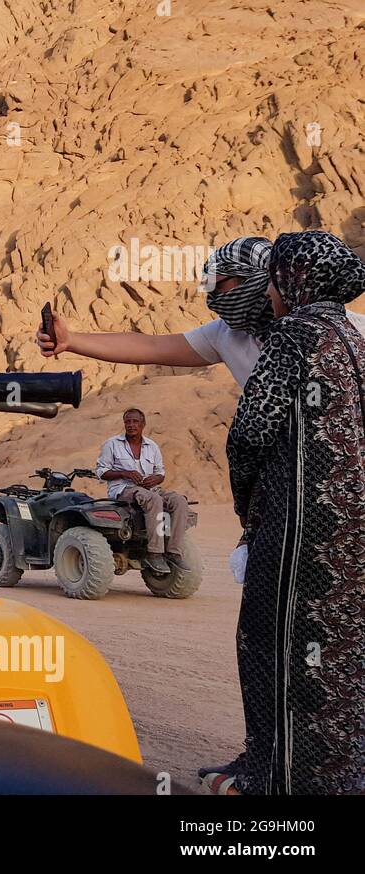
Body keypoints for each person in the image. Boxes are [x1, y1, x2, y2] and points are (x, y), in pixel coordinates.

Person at [220, 231, 365, 795]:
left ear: (293, 280)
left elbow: (251, 432)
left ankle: (273, 780)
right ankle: (337, 777)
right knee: (337, 656)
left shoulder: (294, 335)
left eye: (276, 278)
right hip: (350, 536)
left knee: (268, 643)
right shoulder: (350, 338)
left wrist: (245, 505)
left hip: (299, 531)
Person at [36, 236, 365, 387]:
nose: (213, 302)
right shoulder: (228, 336)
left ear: (257, 279)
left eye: (219, 288)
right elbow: (150, 347)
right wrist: (72, 340)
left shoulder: (349, 333)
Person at [95, 408, 191, 575]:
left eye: (135, 422)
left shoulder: (152, 446)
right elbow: (101, 472)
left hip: (150, 488)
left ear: (143, 424)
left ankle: (174, 552)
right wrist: (124, 473)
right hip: (123, 490)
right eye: (128, 422)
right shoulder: (112, 444)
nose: (131, 425)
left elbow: (160, 472)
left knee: (179, 501)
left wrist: (156, 478)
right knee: (154, 500)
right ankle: (155, 553)